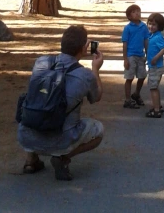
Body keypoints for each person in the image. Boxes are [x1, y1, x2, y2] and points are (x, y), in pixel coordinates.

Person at [17, 25, 104, 181]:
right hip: (61, 139)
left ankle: (31, 160)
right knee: (98, 130)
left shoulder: (41, 62)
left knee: (39, 104)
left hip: (25, 134)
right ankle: (63, 158)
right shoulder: (84, 75)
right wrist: (95, 70)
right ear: (84, 48)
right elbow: (96, 97)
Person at [122, 4, 149, 108]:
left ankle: (136, 94)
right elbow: (125, 44)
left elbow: (146, 40)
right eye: (134, 12)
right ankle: (127, 99)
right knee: (129, 77)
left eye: (138, 11)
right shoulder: (127, 28)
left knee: (142, 76)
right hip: (131, 55)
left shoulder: (143, 27)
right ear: (129, 16)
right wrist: (125, 59)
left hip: (140, 55)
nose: (137, 13)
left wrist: (147, 53)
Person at [145, 13, 164, 118]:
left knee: (153, 88)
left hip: (156, 67)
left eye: (154, 25)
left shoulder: (158, 37)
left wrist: (155, 58)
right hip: (152, 66)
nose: (151, 26)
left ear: (159, 26)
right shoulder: (152, 36)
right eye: (149, 24)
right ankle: (157, 105)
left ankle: (156, 110)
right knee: (154, 87)